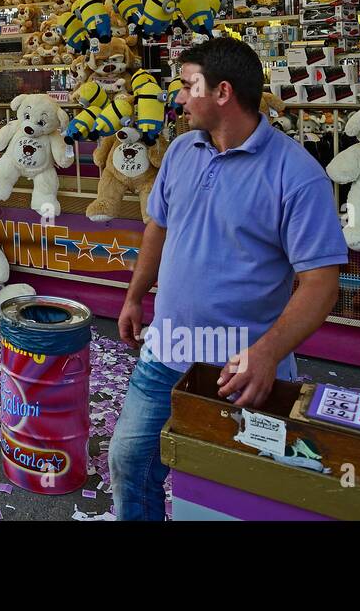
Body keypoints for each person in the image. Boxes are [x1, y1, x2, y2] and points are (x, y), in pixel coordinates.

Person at [109, 37, 347, 521]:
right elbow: (159, 226)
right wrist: (135, 297)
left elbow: (321, 283)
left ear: (221, 92)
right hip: (167, 350)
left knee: (236, 492)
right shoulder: (180, 151)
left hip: (244, 370)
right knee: (130, 462)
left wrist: (267, 353)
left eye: (185, 85)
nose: (176, 98)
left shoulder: (297, 175)